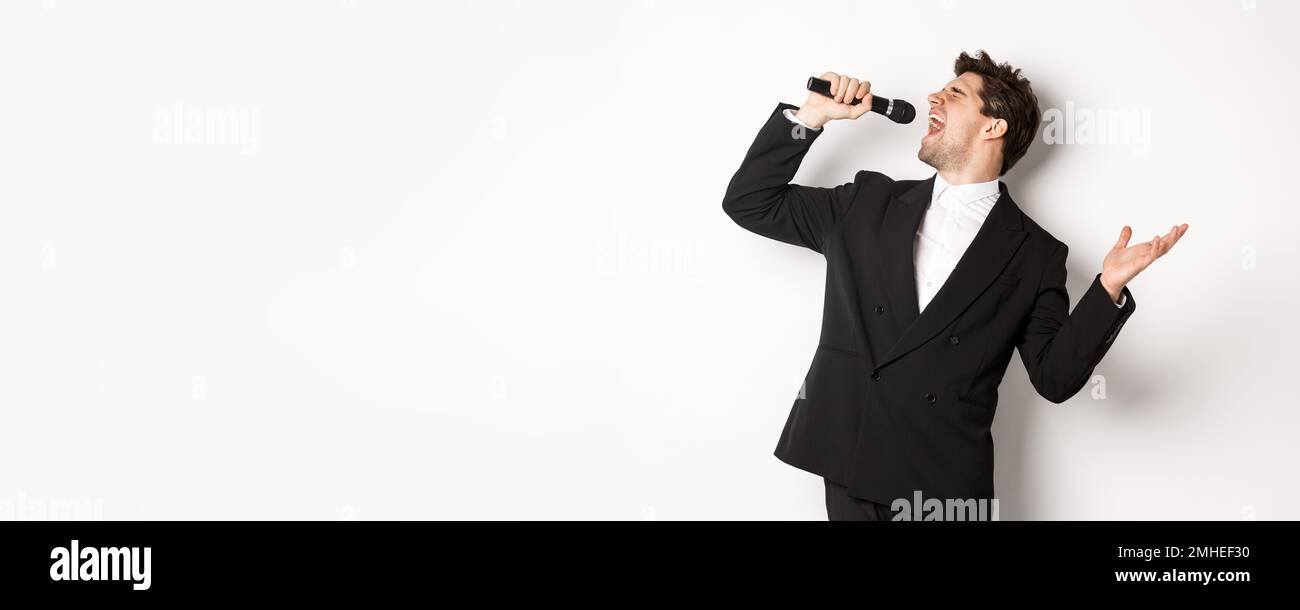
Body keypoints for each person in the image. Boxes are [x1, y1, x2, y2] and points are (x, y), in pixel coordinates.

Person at [721, 50, 1188, 521]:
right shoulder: (867, 201)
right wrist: (812, 116)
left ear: (993, 126)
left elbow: (1054, 379)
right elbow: (750, 202)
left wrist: (1107, 289)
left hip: (945, 488)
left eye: (954, 93)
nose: (933, 97)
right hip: (851, 459)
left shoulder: (1036, 254)